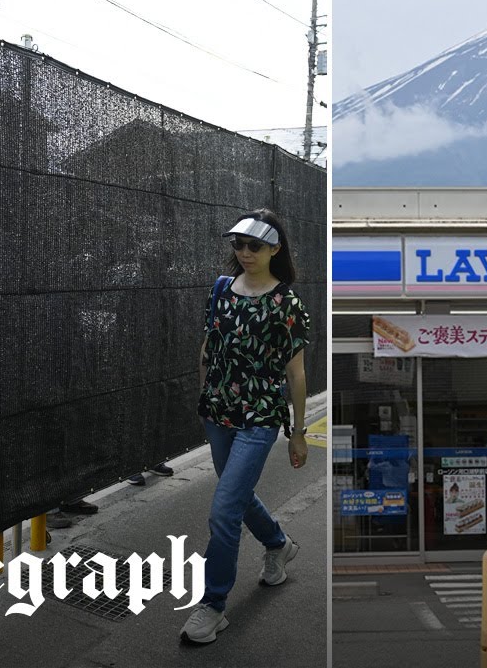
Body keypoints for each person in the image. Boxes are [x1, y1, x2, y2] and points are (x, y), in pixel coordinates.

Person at [179, 209, 311, 645]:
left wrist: (298, 432)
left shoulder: (286, 303)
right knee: (235, 496)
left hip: (260, 416)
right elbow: (208, 347)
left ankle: (213, 604)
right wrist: (204, 398)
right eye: (238, 243)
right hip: (217, 411)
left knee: (223, 511)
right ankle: (277, 543)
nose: (245, 252)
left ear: (275, 249)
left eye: (255, 245)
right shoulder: (221, 288)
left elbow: (296, 373)